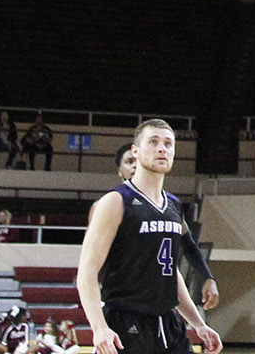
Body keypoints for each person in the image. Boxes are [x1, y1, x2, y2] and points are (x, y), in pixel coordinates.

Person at [73, 120, 222, 354]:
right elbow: (87, 271)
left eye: (168, 144)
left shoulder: (173, 205)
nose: (162, 148)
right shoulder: (115, 201)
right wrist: (99, 327)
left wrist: (199, 324)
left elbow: (169, 272)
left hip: (169, 324)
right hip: (125, 322)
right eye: (153, 142)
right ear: (136, 151)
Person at [116, 148, 217, 309]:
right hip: (126, 301)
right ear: (120, 171)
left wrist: (207, 277)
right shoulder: (113, 203)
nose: (135, 166)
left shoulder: (171, 204)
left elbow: (189, 247)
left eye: (137, 161)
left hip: (162, 301)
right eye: (129, 162)